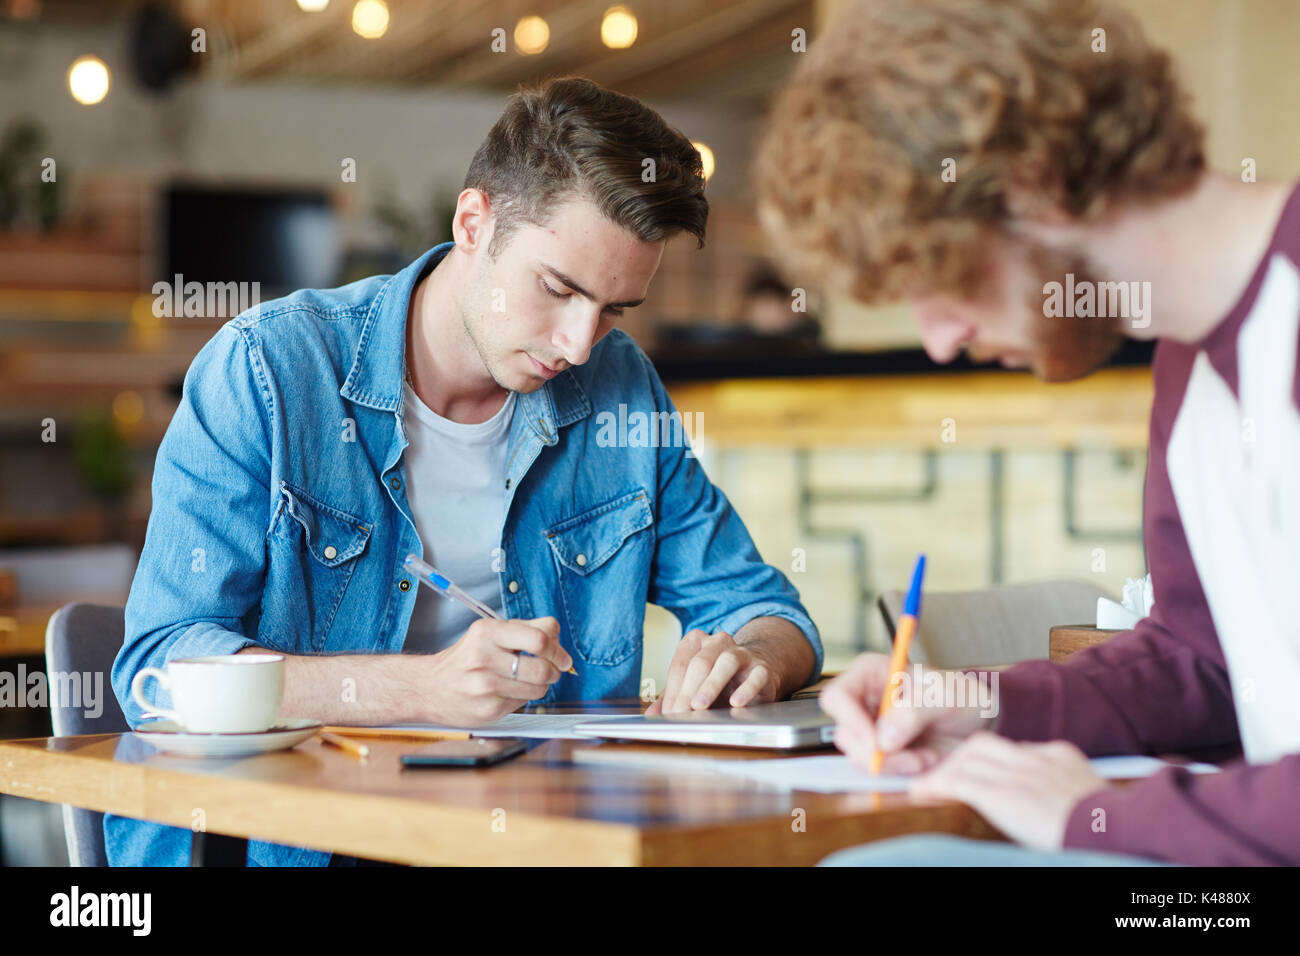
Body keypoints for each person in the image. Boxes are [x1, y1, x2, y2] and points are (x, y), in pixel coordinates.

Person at [109, 76, 821, 866]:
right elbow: (158, 671)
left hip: (542, 839)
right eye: (558, 289)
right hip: (300, 843)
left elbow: (766, 609)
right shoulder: (268, 370)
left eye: (615, 310)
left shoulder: (620, 388)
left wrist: (750, 660)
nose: (580, 344)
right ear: (474, 222)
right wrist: (421, 690)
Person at [755, 0, 1300, 865]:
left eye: (933, 275)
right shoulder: (1187, 367)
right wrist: (979, 701)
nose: (937, 340)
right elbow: (1204, 667)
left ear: (1035, 183)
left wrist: (1102, 816)